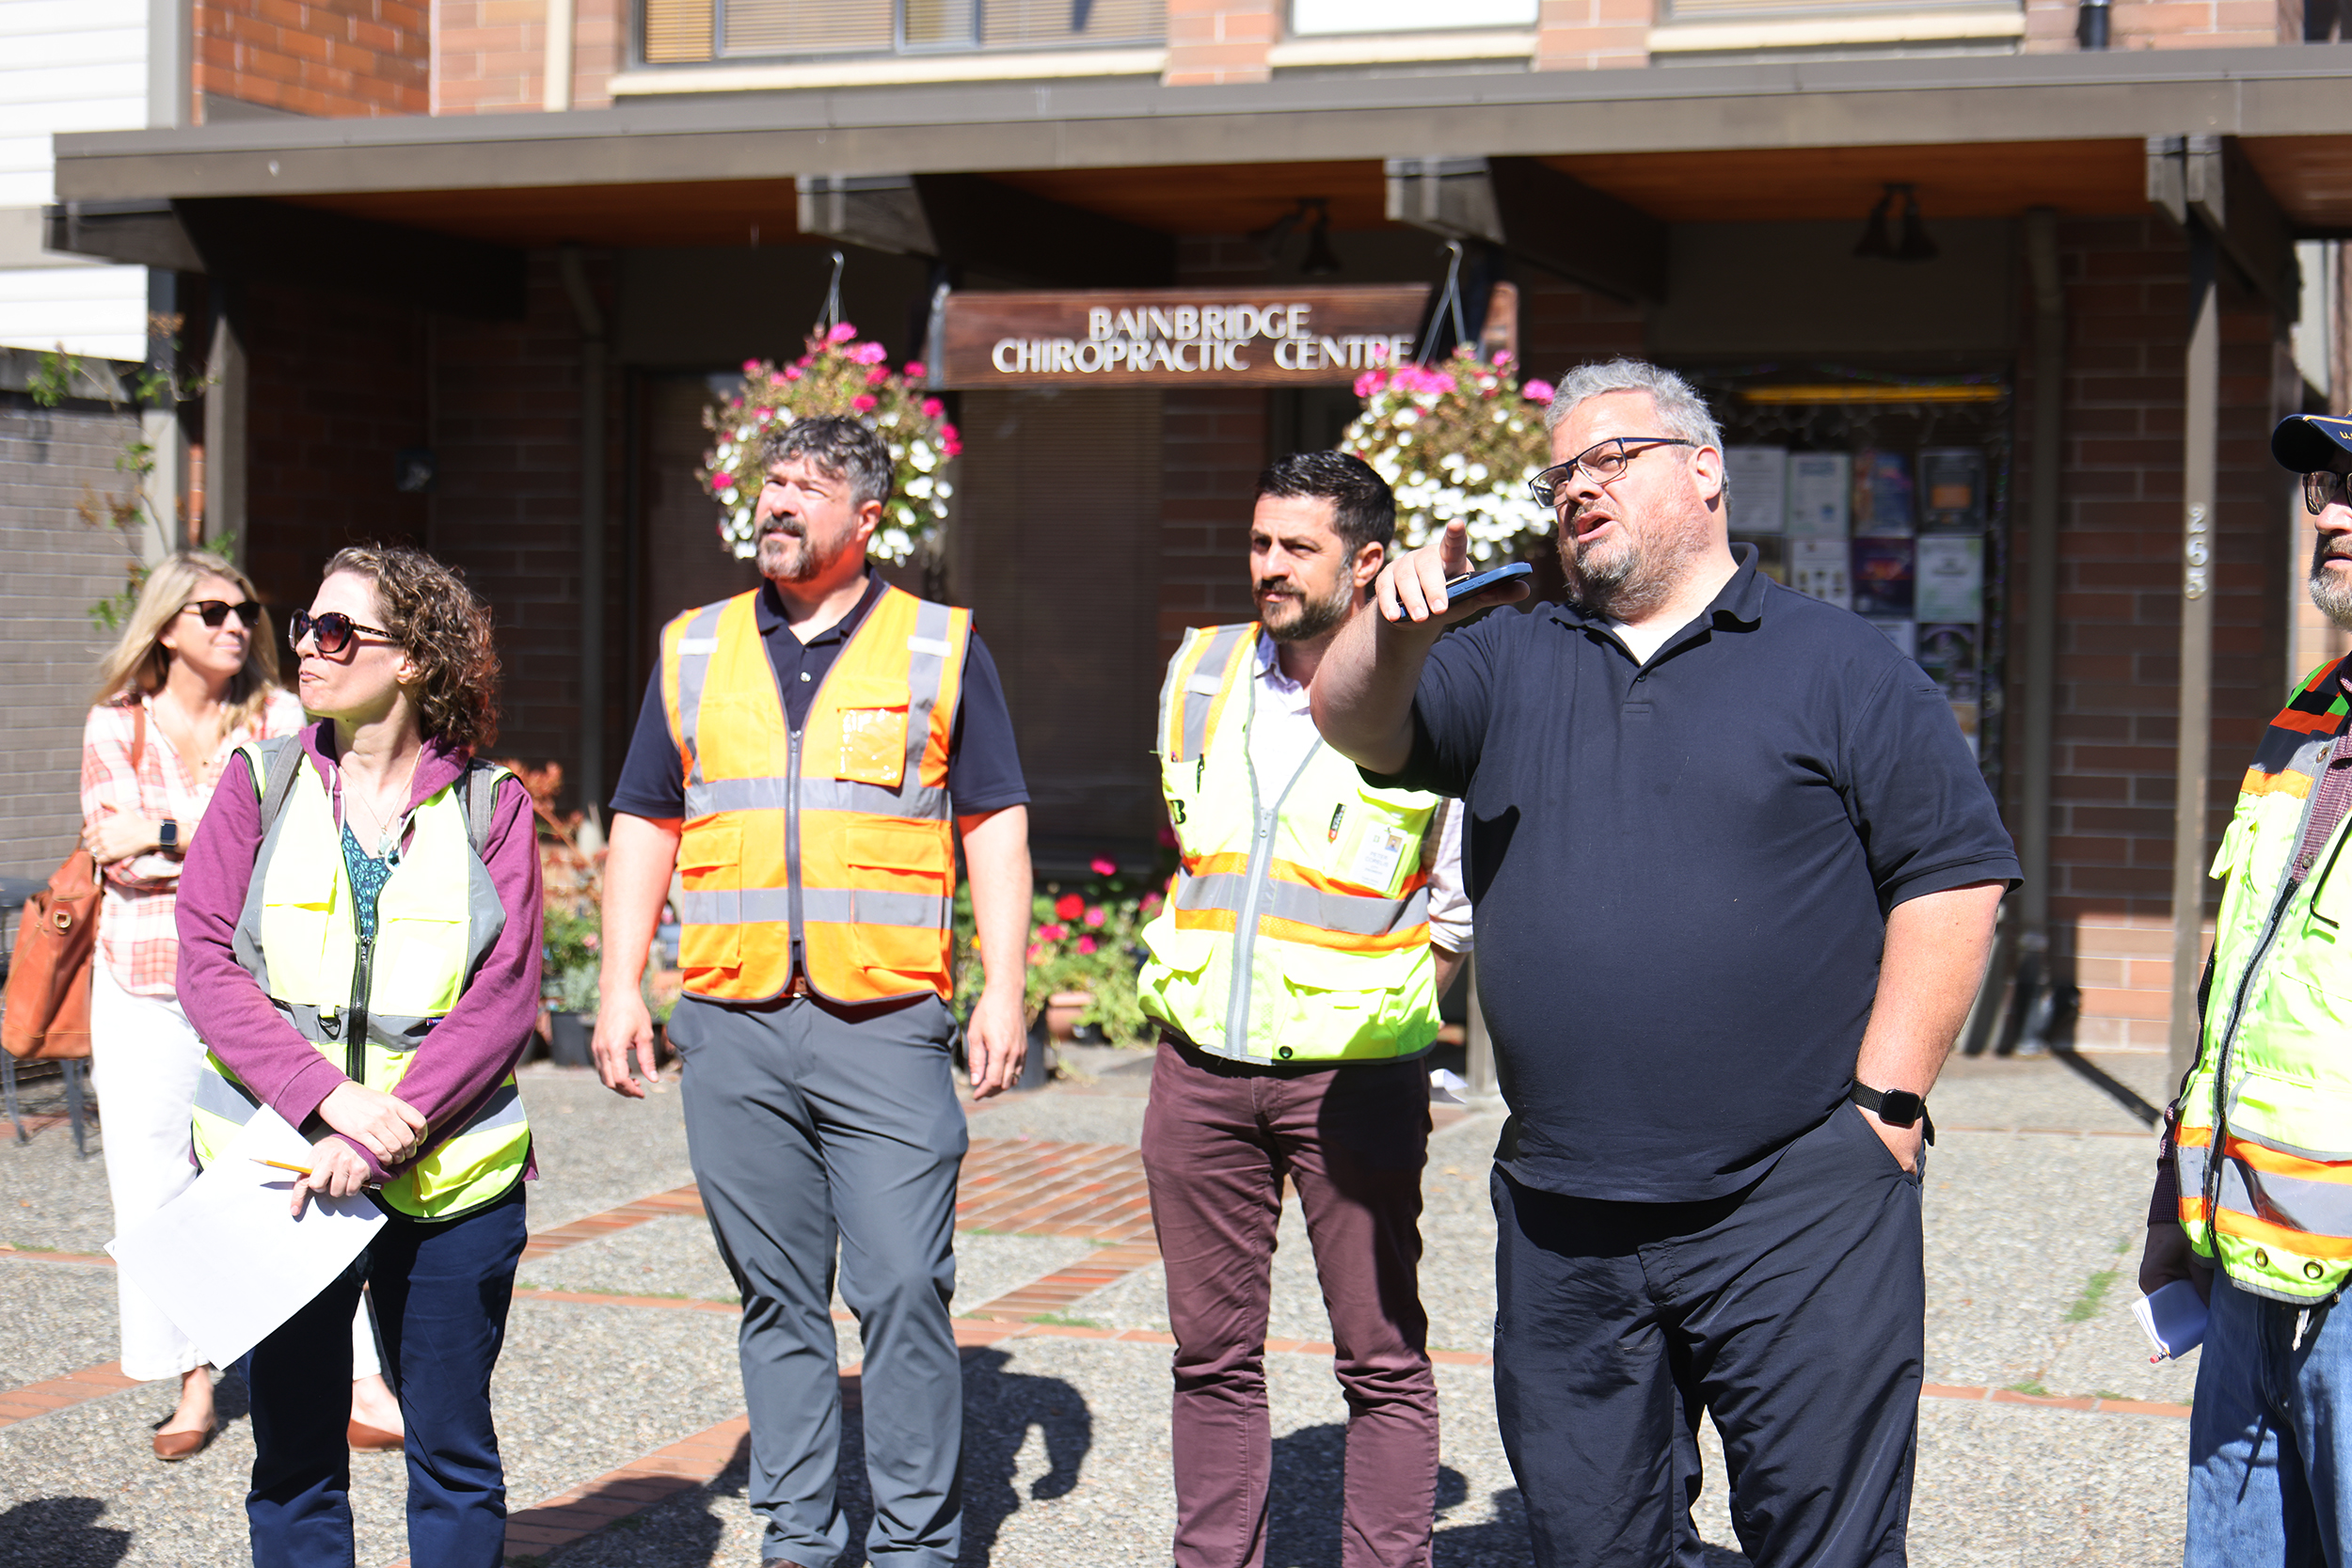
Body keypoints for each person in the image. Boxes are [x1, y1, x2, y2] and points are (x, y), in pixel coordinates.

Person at [1310, 358, 2018, 1568]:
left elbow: (1952, 874)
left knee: (1824, 1541)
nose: (1576, 488)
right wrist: (1390, 628)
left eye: (1608, 459)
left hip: (1793, 1203)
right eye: (1558, 474)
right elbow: (1349, 718)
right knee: (1593, 1540)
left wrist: (1886, 1106)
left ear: (1703, 471)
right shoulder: (1507, 655)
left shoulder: (1839, 664)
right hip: (1566, 1210)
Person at [594, 415, 1032, 1568]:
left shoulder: (939, 645)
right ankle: (795, 1533)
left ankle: (915, 1543)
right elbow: (646, 813)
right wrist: (620, 983)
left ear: (868, 517)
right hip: (733, 1021)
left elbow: (992, 819)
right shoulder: (692, 647)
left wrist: (1005, 989)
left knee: (899, 1284)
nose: (780, 500)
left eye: (810, 485)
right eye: (771, 480)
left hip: (884, 1020)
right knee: (775, 1296)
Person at [177, 545, 542, 1567]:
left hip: (451, 1186)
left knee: (453, 1455)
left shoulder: (491, 802)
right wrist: (326, 1102)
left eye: (336, 630)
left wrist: (389, 1131)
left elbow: (503, 995)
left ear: (415, 659)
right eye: (304, 623)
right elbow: (206, 965)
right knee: (294, 1457)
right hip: (283, 1172)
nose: (306, 646)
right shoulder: (259, 779)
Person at [1136, 450, 1469, 1568]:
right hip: (1199, 1071)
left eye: (1297, 548)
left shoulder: (1429, 689)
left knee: (1378, 1357)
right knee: (1209, 1356)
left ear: (1366, 562)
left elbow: (1458, 901)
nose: (1268, 567)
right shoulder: (1199, 670)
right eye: (1259, 542)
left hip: (1351, 1076)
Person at [77, 550, 405, 1462]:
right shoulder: (117, 723)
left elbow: (289, 840)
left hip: (259, 987)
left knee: (294, 1167)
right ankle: (195, 1376)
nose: (233, 624)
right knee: (153, 1184)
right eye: (211, 609)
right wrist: (212, 831)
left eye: (243, 609)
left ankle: (360, 1373)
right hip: (142, 980)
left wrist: (170, 828)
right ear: (167, 626)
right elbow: (121, 857)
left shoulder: (284, 716)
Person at [2140, 412, 2352, 1566]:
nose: (2328, 511)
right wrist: (2173, 1196)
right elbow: (2242, 988)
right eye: (2327, 484)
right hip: (2245, 1249)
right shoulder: (2307, 718)